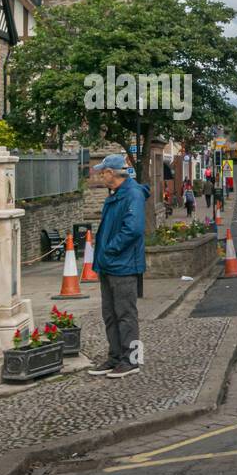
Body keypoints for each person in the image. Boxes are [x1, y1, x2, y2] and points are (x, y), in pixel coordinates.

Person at [88, 154, 149, 379]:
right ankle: (115, 357)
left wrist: (110, 249)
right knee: (111, 314)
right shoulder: (115, 195)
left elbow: (132, 230)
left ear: (111, 173)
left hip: (123, 264)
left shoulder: (131, 194)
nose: (100, 175)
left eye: (102, 171)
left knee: (126, 314)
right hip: (109, 264)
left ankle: (132, 360)